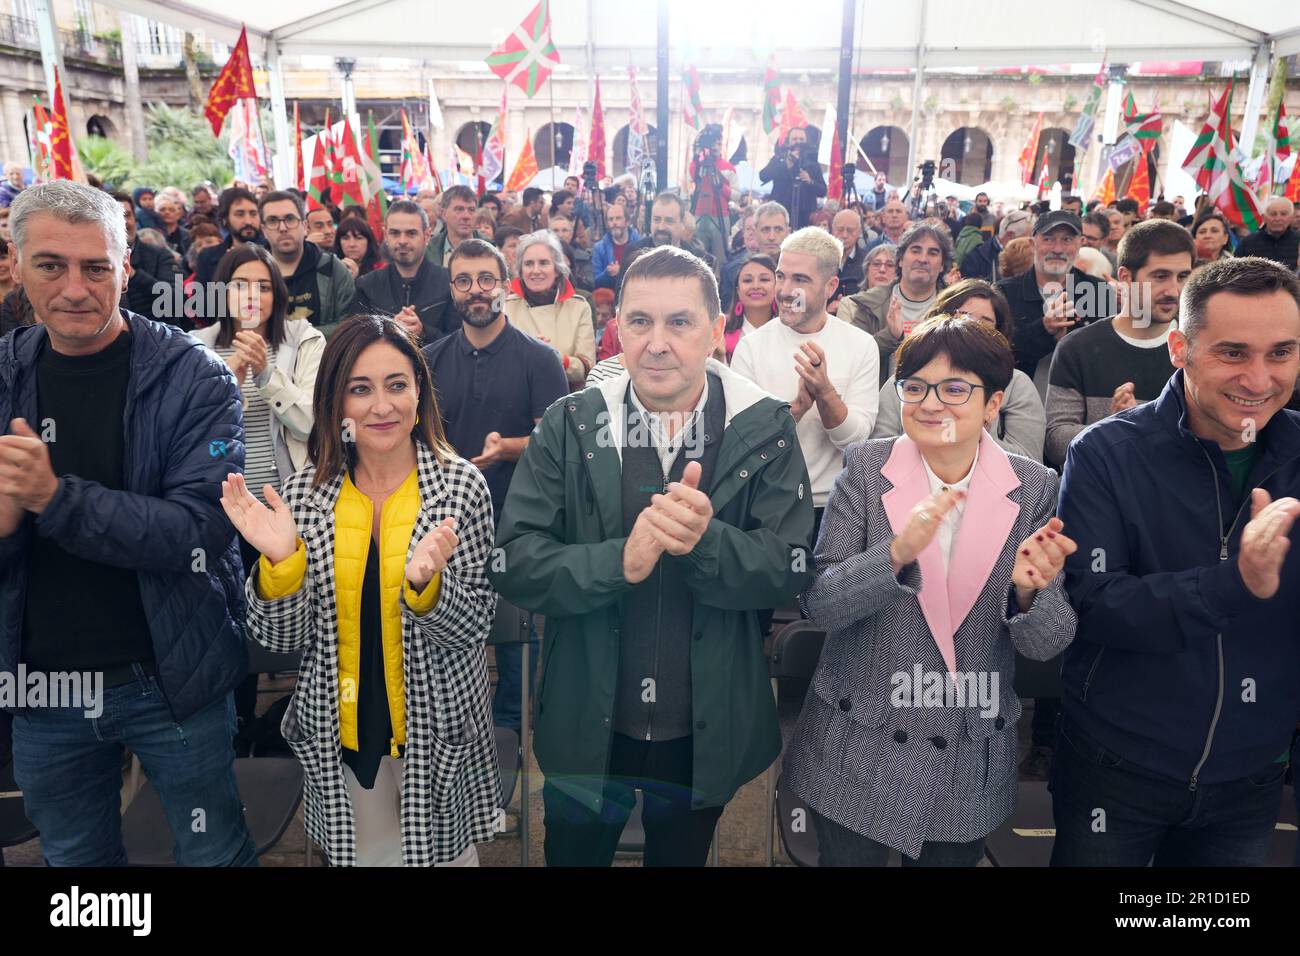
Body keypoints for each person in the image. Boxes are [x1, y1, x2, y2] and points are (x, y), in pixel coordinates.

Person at [491, 245, 816, 866]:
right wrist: (622, 562)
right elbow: (516, 564)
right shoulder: (568, 424)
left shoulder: (764, 426)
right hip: (588, 723)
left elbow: (788, 568)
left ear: (716, 331)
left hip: (704, 727)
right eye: (640, 322)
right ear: (619, 332)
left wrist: (707, 541)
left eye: (680, 322)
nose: (657, 343)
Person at [0, 180, 255, 866]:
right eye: (52, 265)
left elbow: (199, 530)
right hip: (42, 685)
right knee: (75, 862)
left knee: (213, 852)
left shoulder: (195, 378)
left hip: (170, 678)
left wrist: (56, 499)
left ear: (126, 268)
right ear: (17, 265)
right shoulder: (3, 375)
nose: (76, 288)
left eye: (97, 267)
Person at [785, 314, 1077, 866]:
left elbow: (1046, 645)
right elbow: (821, 603)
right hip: (859, 745)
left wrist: (1029, 595)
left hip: (963, 757)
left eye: (954, 388)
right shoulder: (869, 468)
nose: (929, 403)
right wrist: (895, 553)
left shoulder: (1034, 487)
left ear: (994, 403)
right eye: (914, 387)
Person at [1051, 256, 1300, 867]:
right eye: (1234, 353)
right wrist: (1232, 585)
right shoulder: (1107, 453)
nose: (1260, 379)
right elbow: (1099, 605)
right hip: (1118, 765)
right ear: (1180, 349)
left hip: (1252, 772)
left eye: (1282, 353)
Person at [227, 315, 499, 866]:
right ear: (335, 403)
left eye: (397, 385)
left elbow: (473, 629)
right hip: (342, 729)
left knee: (445, 858)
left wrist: (426, 588)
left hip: (438, 729)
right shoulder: (304, 494)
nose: (382, 406)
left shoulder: (461, 486)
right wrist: (280, 564)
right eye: (360, 388)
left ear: (419, 393)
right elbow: (282, 639)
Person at [422, 238, 567, 737]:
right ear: (452, 288)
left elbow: (556, 443)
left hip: (516, 519)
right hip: (442, 522)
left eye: (486, 279)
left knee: (514, 639)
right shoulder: (429, 360)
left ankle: (508, 734)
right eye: (464, 281)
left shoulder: (540, 359)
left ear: (505, 286)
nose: (475, 291)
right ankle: (447, 730)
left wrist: (507, 447)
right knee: (443, 627)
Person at [731, 228, 878, 530]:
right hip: (766, 502)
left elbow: (856, 442)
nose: (785, 290)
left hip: (834, 507)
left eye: (800, 280)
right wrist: (796, 408)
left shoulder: (861, 345)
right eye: (781, 276)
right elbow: (742, 442)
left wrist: (824, 392)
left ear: (830, 286)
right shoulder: (752, 346)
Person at [1043, 220, 1193, 468]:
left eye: (1183, 276)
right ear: (1125, 277)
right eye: (1160, 276)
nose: (1174, 290)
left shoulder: (1198, 349)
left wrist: (1139, 427)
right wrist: (1114, 429)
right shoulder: (1077, 347)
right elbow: (1055, 442)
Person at [195, 242, 324, 499]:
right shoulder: (197, 347)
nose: (252, 295)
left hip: (294, 501)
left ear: (277, 295)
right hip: (219, 505)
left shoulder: (305, 341)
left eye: (263, 287)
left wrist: (266, 374)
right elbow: (188, 434)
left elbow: (314, 425)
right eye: (240, 285)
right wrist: (226, 388)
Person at [872, 279, 1046, 462]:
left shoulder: (1017, 384)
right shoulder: (905, 381)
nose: (973, 328)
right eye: (963, 317)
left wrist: (968, 433)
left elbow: (1029, 462)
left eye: (985, 322)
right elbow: (881, 454)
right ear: (940, 320)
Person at [998, 210, 1114, 379]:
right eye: (1048, 239)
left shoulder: (1099, 292)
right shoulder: (1005, 293)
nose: (1058, 249)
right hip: (1019, 400)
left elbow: (1106, 356)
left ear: (1080, 244)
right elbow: (997, 354)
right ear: (1032, 244)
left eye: (1067, 240)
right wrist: (1044, 329)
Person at [839, 222, 953, 385]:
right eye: (915, 250)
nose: (922, 259)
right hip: (882, 405)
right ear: (900, 260)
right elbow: (852, 360)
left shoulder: (955, 307)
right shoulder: (868, 304)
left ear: (942, 265)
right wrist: (890, 336)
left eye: (933, 253)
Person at [502, 230, 596, 389]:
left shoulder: (578, 307)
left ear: (557, 268)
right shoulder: (506, 306)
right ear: (521, 270)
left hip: (564, 399)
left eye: (544, 263)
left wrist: (558, 358)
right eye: (529, 264)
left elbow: (587, 369)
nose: (536, 270)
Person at [355, 200, 457, 345]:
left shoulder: (449, 283)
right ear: (385, 236)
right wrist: (388, 331)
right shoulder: (367, 285)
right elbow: (356, 341)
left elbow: (460, 341)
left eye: (411, 233)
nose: (402, 241)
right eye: (395, 233)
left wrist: (424, 332)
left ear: (427, 236)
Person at [257, 190, 355, 338]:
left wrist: (301, 336)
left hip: (323, 359)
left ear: (304, 226)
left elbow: (350, 325)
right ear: (263, 230)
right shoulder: (252, 272)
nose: (282, 228)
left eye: (290, 219)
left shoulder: (333, 269)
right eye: (272, 221)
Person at [110, 191, 182, 325]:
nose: (122, 222)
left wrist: (134, 275)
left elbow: (176, 300)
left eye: (127, 215)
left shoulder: (160, 256)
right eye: (113, 216)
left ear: (135, 220)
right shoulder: (88, 260)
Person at [194, 187, 267, 294]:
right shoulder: (208, 257)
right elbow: (200, 303)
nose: (248, 221)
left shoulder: (272, 251)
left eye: (253, 214)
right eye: (240, 214)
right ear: (225, 220)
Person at [625, 193, 716, 275]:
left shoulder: (697, 261)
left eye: (669, 221)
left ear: (682, 223)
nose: (661, 227)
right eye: (657, 220)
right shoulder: (634, 254)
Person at [759, 127, 826, 229]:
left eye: (801, 139)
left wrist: (810, 181)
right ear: (788, 142)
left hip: (805, 217)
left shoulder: (812, 163)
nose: (798, 142)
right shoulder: (779, 158)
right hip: (781, 215)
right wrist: (786, 165)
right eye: (795, 139)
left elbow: (823, 191)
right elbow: (763, 176)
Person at [722, 253, 778, 361]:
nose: (755, 286)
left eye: (764, 279)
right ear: (738, 290)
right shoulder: (721, 330)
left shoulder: (791, 330)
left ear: (777, 287)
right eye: (748, 280)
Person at [960, 208, 1033, 283]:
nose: (1032, 244)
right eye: (1028, 239)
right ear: (1010, 235)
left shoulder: (1031, 258)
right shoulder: (975, 259)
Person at [1235, 197, 1299, 269]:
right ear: (1264, 217)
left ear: (1291, 217)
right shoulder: (1247, 243)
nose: (1278, 219)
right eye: (1273, 214)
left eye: (1283, 214)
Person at [427, 186, 483, 268]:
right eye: (459, 209)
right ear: (444, 214)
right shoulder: (428, 251)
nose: (466, 216)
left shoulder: (492, 249)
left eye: (471, 210)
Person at [592, 200, 640, 292]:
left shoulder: (640, 244)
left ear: (627, 222)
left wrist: (621, 271)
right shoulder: (598, 248)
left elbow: (645, 276)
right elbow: (595, 282)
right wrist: (608, 273)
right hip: (609, 298)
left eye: (618, 218)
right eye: (610, 219)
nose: (614, 223)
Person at [831, 208, 868, 303]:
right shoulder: (821, 259)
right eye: (840, 230)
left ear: (859, 232)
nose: (844, 235)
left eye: (850, 230)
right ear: (832, 230)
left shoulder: (867, 261)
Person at [549, 212, 594, 290]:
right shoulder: (540, 257)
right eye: (555, 230)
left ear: (571, 234)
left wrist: (569, 271)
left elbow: (590, 284)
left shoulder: (584, 257)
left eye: (564, 230)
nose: (560, 235)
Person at [154, 193, 190, 257]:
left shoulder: (187, 235)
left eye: (171, 210)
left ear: (178, 215)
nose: (167, 212)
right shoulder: (153, 234)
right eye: (162, 210)